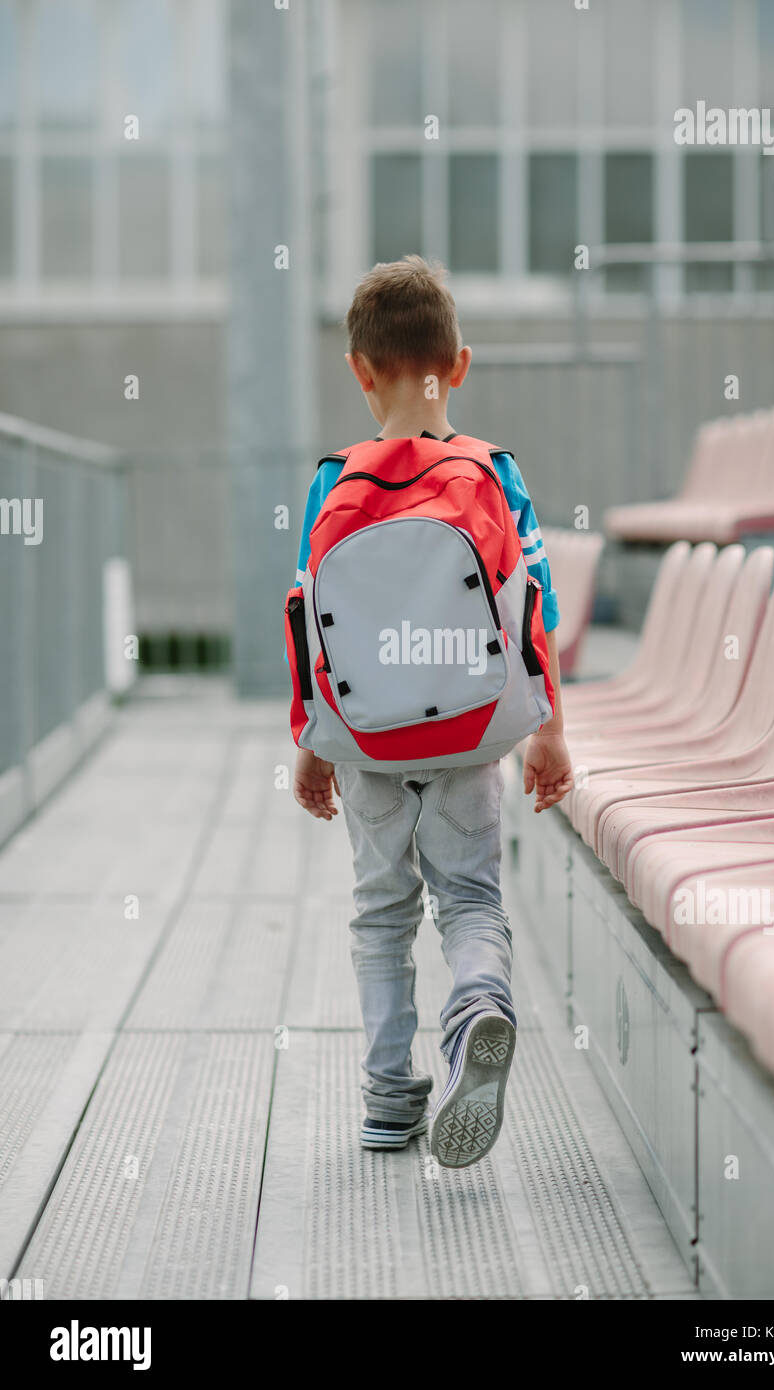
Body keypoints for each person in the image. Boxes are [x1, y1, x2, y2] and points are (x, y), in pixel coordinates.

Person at [291, 256, 573, 1167]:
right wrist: (548, 730)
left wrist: (311, 741)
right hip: (469, 734)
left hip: (368, 740)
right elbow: (537, 608)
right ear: (458, 363)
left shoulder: (334, 477)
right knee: (471, 898)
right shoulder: (497, 473)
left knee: (381, 913)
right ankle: (480, 1004)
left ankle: (386, 1097)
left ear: (360, 372)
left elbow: (307, 617)